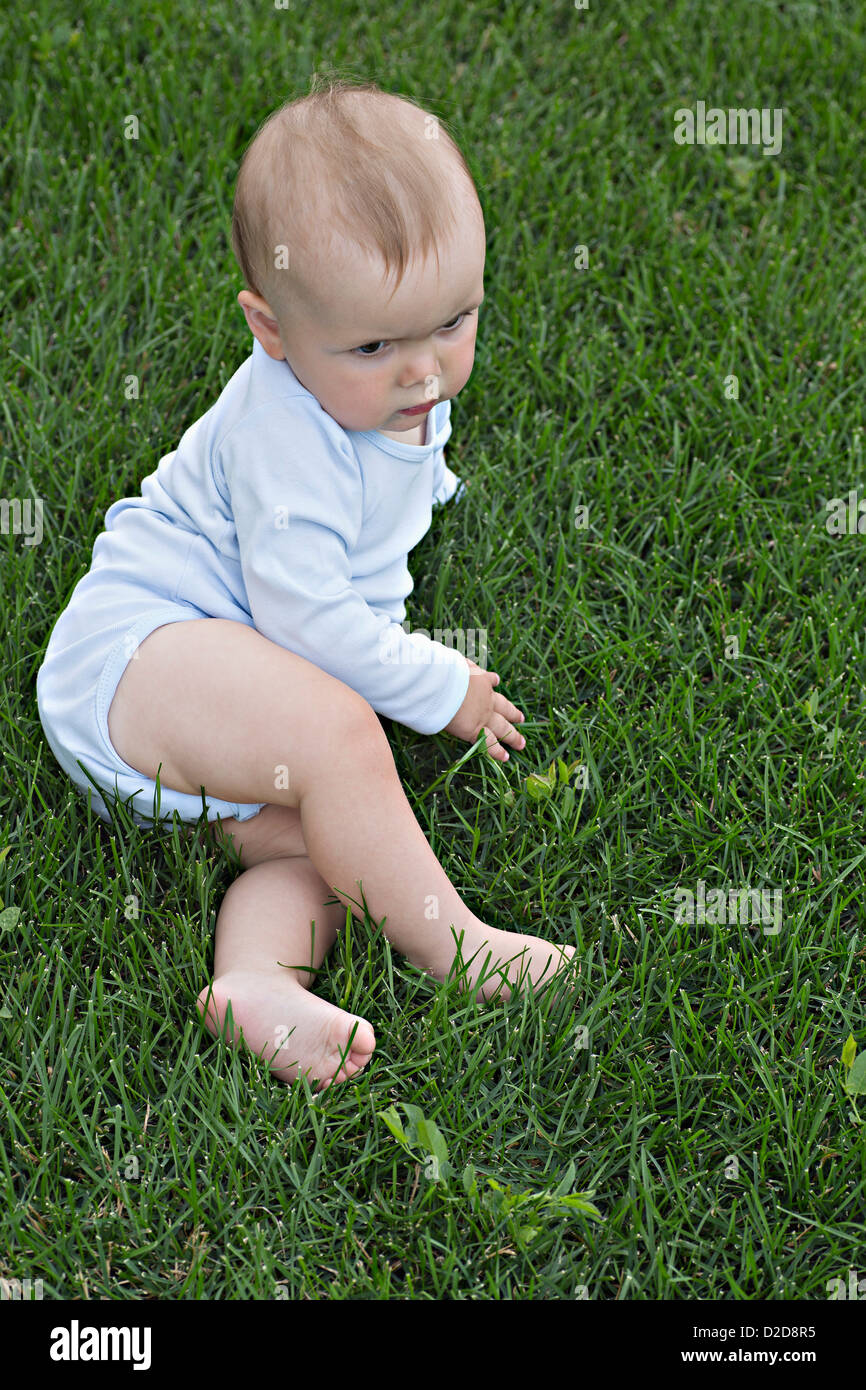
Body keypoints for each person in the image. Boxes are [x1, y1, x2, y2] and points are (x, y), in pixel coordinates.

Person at [36, 77, 575, 1092]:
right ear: (271, 326)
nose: (421, 373)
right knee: (338, 734)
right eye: (374, 346)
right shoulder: (284, 434)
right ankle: (458, 946)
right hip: (140, 658)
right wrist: (430, 684)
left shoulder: (380, 395)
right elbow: (302, 613)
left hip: (204, 707)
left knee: (329, 847)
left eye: (451, 324)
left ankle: (256, 980)